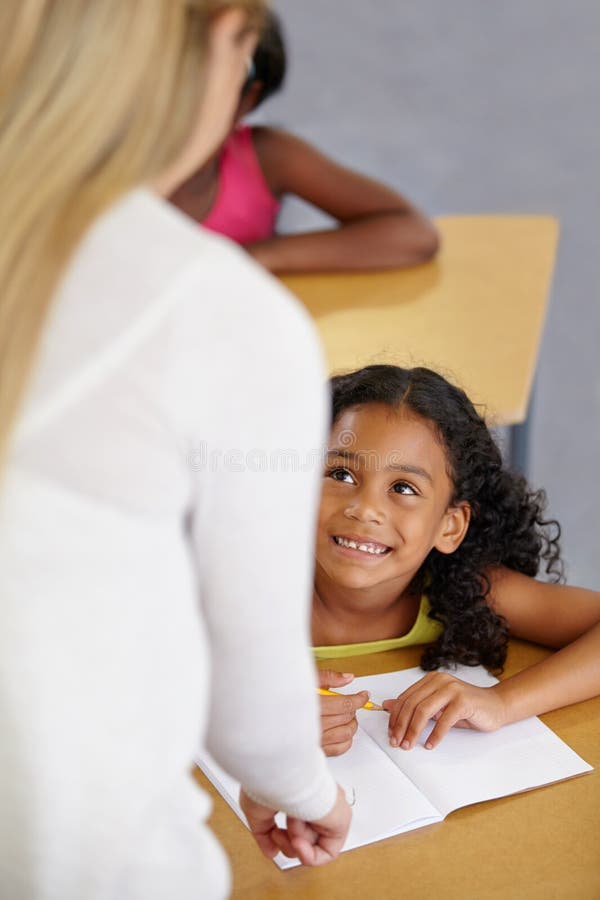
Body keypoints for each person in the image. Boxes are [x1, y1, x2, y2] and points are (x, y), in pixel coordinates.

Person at [0, 2, 351, 898]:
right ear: (198, 48)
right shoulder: (214, 314)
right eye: (242, 52)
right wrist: (306, 789)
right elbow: (253, 695)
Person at [311, 365, 600, 757]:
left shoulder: (465, 590)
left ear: (450, 526)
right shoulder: (240, 586)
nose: (365, 510)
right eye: (341, 474)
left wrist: (502, 702)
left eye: (403, 487)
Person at [169, 10, 439, 273]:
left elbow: (412, 233)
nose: (175, 102)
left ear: (247, 99)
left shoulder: (265, 156)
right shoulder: (128, 169)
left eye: (201, 82)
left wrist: (249, 259)